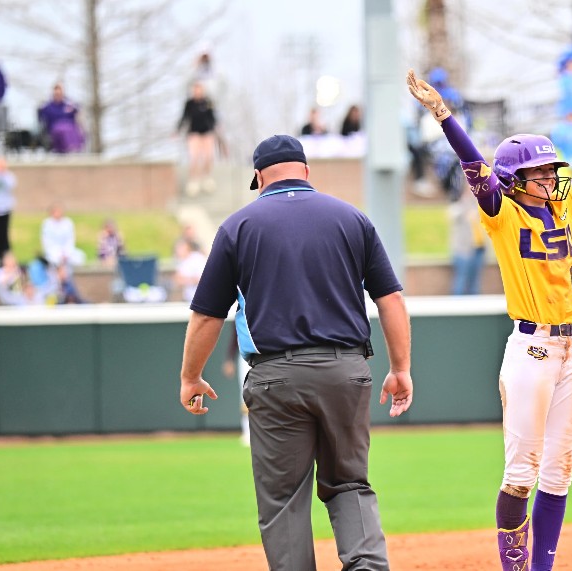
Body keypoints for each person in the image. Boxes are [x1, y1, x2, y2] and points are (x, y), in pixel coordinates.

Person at [407, 68, 572, 571]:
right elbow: (473, 164)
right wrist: (444, 116)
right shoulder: (502, 212)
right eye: (540, 172)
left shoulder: (564, 206)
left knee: (559, 472)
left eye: (550, 170)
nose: (551, 177)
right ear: (515, 180)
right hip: (533, 349)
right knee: (522, 473)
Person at [178, 134, 413, 571]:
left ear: (259, 177)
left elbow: (208, 315)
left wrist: (191, 376)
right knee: (349, 483)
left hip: (275, 377)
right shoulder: (352, 219)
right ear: (305, 170)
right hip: (346, 371)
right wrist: (400, 368)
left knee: (283, 499)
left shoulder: (238, 227)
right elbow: (391, 299)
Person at [176, 81, 218, 196]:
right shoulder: (189, 104)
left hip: (207, 133)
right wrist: (178, 129)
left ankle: (206, 178)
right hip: (194, 133)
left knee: (208, 157)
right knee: (194, 157)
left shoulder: (208, 102)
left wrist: (214, 129)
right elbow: (184, 117)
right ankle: (193, 181)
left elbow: (213, 117)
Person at [448, 187, 486, 295]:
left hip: (479, 248)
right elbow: (452, 215)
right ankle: (456, 303)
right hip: (463, 250)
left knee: (475, 281)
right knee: (461, 280)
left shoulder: (479, 207)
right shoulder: (458, 207)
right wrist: (465, 202)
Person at [38, 83, 85, 153]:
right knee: (62, 129)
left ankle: (74, 149)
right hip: (55, 131)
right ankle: (71, 148)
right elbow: (40, 117)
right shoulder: (47, 107)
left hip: (71, 130)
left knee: (72, 130)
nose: (58, 95)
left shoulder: (69, 105)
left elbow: (79, 111)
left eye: (60, 93)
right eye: (56, 93)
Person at [172, 238, 206, 302]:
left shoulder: (198, 258)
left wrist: (185, 280)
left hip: (201, 299)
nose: (177, 251)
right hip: (188, 299)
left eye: (180, 248)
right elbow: (177, 280)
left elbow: (203, 279)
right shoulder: (181, 262)